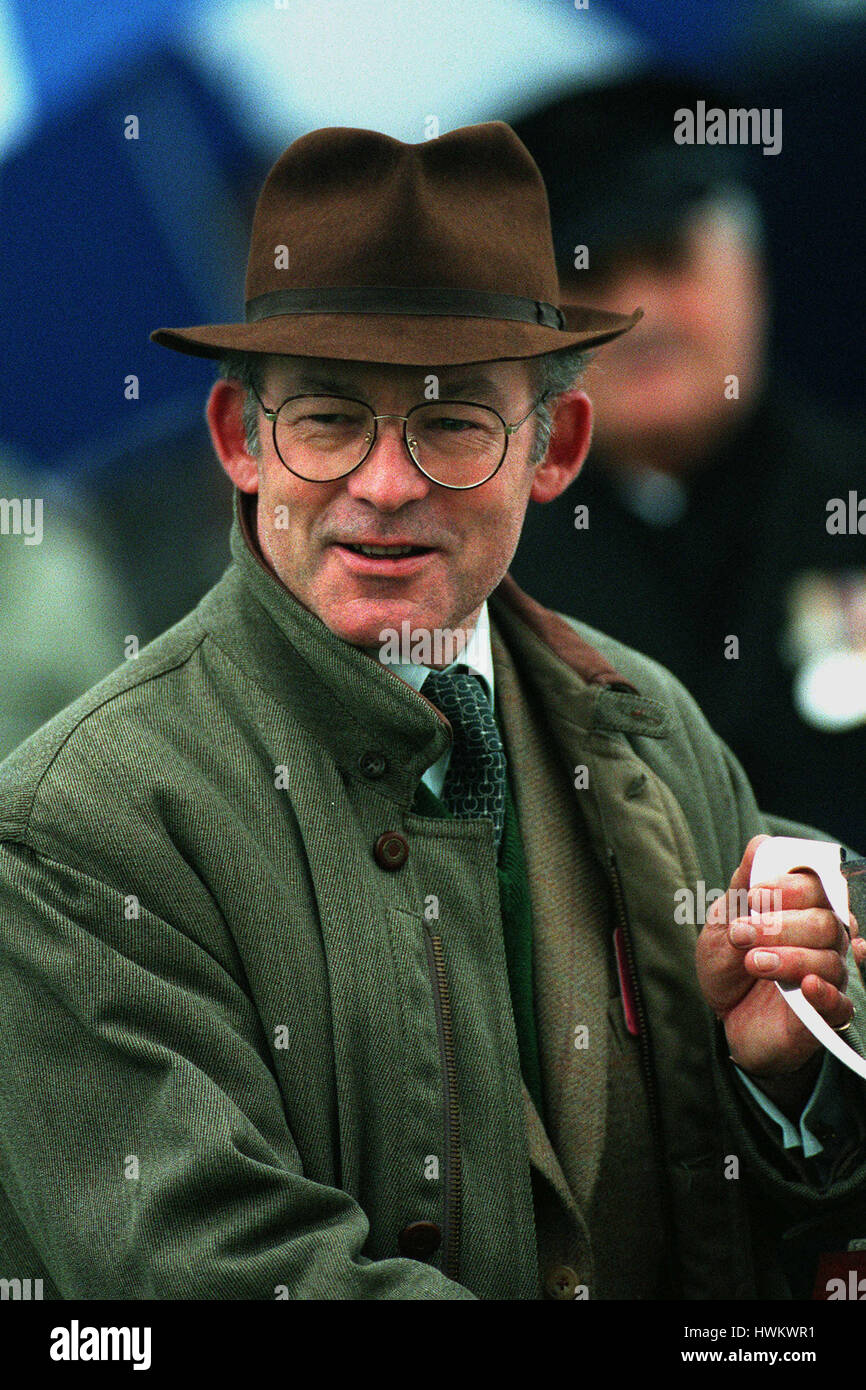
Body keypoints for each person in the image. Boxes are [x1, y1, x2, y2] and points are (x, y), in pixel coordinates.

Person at [1, 122, 865, 1302]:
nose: (386, 482)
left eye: (451, 419)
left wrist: (792, 1081)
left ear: (552, 447)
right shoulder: (72, 832)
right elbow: (219, 1273)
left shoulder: (648, 730)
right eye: (325, 417)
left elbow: (775, 1249)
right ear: (239, 442)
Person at [509, 75, 866, 852]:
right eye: (591, 277)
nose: (643, 317)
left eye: (671, 260)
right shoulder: (478, 581)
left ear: (754, 274)